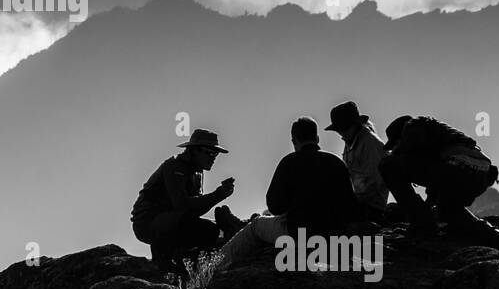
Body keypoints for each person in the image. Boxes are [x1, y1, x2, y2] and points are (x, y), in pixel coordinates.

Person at [217, 117, 358, 265]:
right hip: (334, 236)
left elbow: (275, 207)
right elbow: (351, 208)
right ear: (317, 138)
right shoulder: (337, 162)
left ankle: (214, 266)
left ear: (294, 141)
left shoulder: (289, 162)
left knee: (256, 225)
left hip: (298, 236)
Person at [378, 115, 499, 248]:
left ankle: (421, 225)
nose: (394, 148)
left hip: (458, 167)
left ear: (401, 136)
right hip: (480, 175)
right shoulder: (438, 139)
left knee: (387, 165)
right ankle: (493, 235)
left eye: (395, 144)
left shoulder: (414, 125)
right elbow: (434, 180)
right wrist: (429, 210)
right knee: (448, 211)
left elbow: (414, 144)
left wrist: (396, 153)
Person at [131, 129, 236, 278]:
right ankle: (165, 260)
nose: (213, 158)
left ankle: (179, 260)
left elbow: (193, 210)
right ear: (194, 151)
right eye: (209, 153)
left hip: (169, 221)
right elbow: (182, 204)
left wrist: (219, 196)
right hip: (148, 223)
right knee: (208, 230)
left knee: (211, 230)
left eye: (216, 154)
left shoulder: (196, 172)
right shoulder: (174, 166)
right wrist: (218, 195)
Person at [324, 101, 390, 221]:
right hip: (358, 204)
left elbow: (374, 182)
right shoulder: (351, 142)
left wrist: (348, 200)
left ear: (355, 124)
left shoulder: (370, 143)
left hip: (371, 208)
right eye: (339, 129)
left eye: (344, 128)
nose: (341, 133)